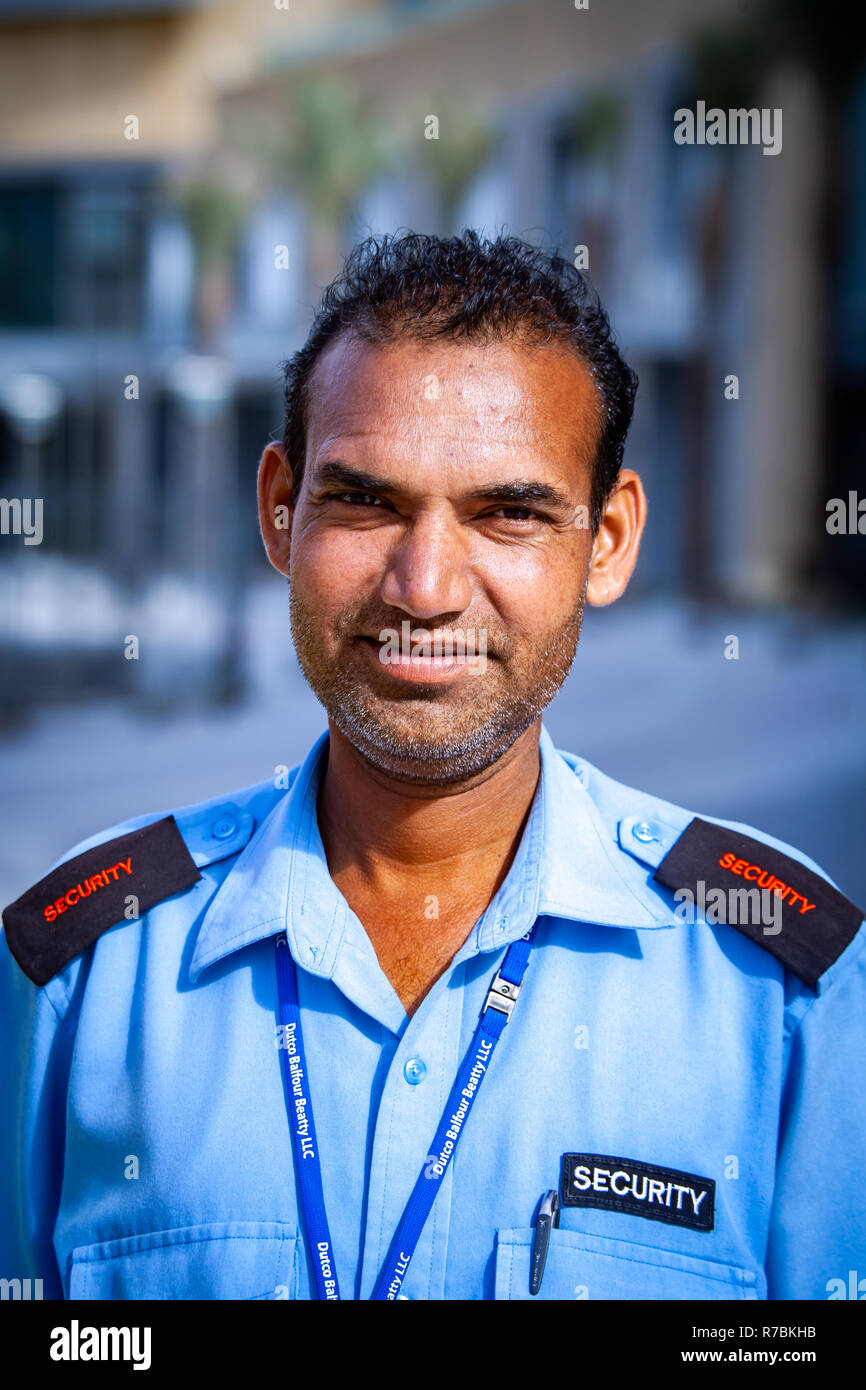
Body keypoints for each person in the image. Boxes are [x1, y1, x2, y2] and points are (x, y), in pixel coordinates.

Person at [1, 230, 863, 1302]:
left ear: (605, 541)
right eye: (366, 502)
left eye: (508, 513)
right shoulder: (82, 970)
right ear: (280, 509)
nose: (424, 586)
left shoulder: (783, 986)